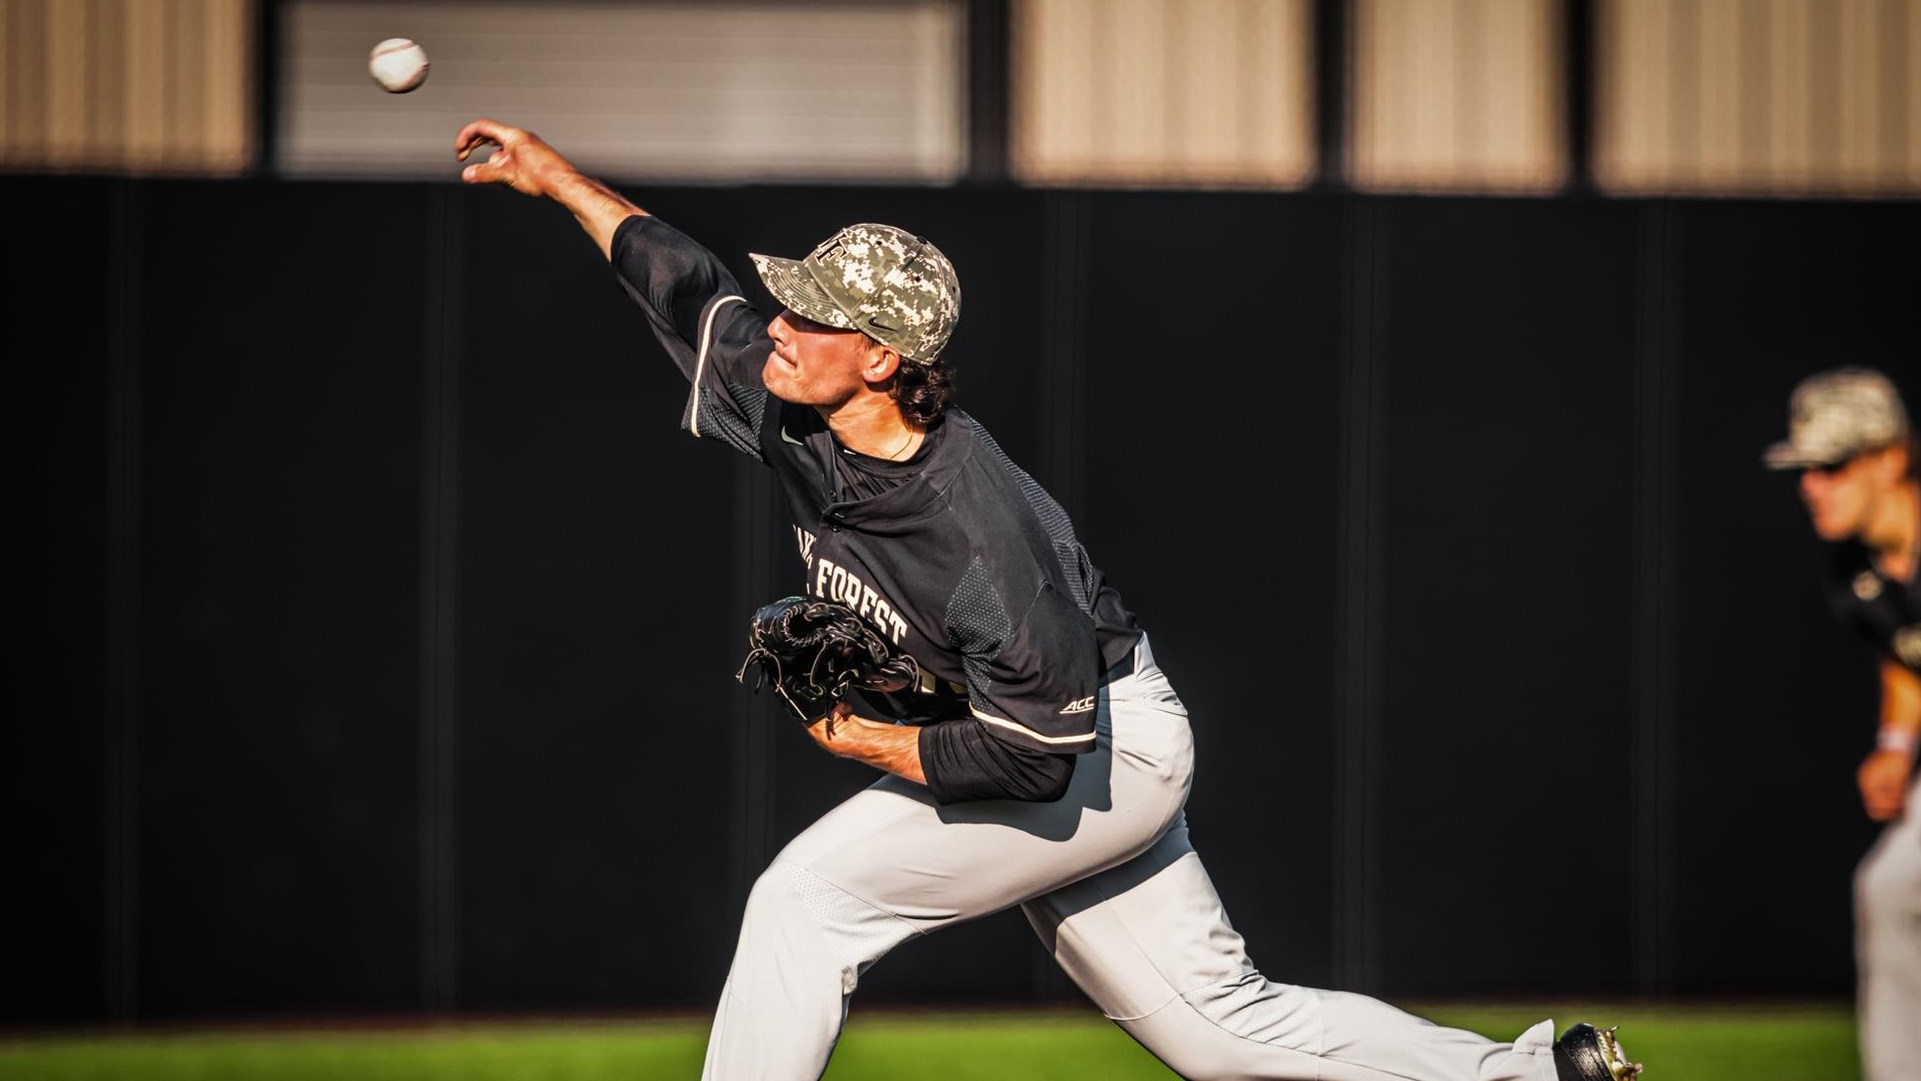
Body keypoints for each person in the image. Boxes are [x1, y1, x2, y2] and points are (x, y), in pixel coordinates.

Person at [451, 115, 1642, 1081]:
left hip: (1096, 746)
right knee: (1220, 1034)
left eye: (813, 314)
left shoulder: (977, 527)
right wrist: (556, 179)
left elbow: (1033, 755)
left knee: (804, 900)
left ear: (880, 357)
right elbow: (686, 285)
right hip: (1067, 730)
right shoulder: (792, 402)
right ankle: (1535, 1076)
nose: (781, 324)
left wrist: (866, 734)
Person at [1762, 367, 1921, 1081]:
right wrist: (1894, 744)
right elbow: (1904, 656)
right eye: (1805, 469)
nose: (1811, 485)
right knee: (1886, 887)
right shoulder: (1854, 569)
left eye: (1831, 465)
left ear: (1889, 457)